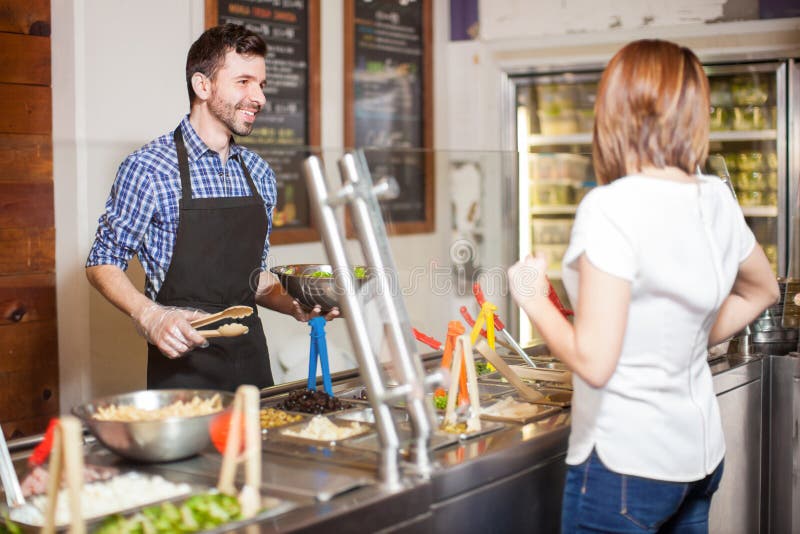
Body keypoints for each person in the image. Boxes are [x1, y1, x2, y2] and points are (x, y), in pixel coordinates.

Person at [508, 39, 779, 533]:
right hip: (697, 456)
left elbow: (594, 362)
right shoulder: (716, 198)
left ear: (616, 110)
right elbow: (763, 291)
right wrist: (683, 345)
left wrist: (529, 294)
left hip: (625, 466)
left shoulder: (611, 207)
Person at [86, 24, 336, 392]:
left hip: (253, 371)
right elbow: (101, 261)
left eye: (261, 84)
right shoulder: (150, 167)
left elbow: (251, 278)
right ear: (202, 86)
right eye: (244, 82)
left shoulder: (259, 174)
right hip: (182, 374)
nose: (259, 98)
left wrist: (294, 303)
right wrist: (149, 314)